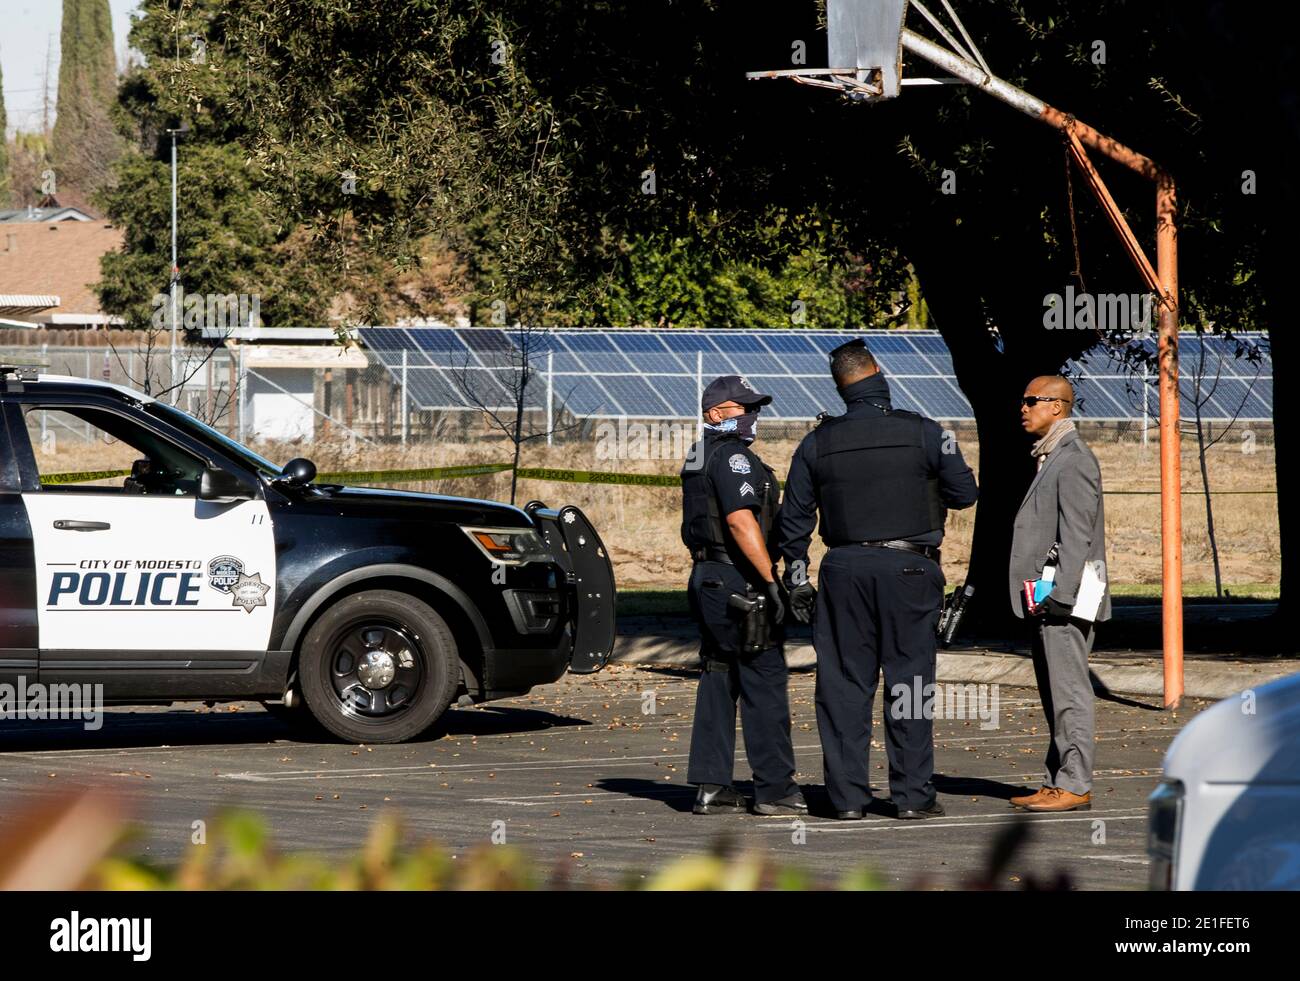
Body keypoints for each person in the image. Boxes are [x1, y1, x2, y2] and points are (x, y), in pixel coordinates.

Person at [777, 339, 978, 820]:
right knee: (909, 684)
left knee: (844, 687)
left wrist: (798, 579)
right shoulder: (927, 433)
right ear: (879, 373)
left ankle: (847, 800)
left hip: (843, 571)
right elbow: (965, 494)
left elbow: (795, 520)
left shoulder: (816, 442)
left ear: (840, 387)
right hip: (910, 570)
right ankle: (912, 797)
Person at [681, 375, 806, 816]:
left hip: (708, 576)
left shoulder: (699, 452)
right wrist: (770, 580)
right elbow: (739, 521)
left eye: (755, 408)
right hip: (738, 579)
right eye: (744, 408)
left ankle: (711, 786)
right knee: (764, 677)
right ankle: (775, 789)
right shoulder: (732, 457)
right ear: (716, 413)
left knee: (719, 675)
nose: (753, 416)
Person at [1008, 375, 1111, 813]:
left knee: (1069, 692)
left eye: (1033, 400)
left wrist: (1062, 595)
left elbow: (1077, 536)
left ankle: (1075, 783)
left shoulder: (1073, 460)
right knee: (1055, 692)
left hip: (1064, 601)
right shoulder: (1050, 456)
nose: (1024, 407)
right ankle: (1057, 780)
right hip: (1047, 598)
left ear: (1058, 407)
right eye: (1024, 398)